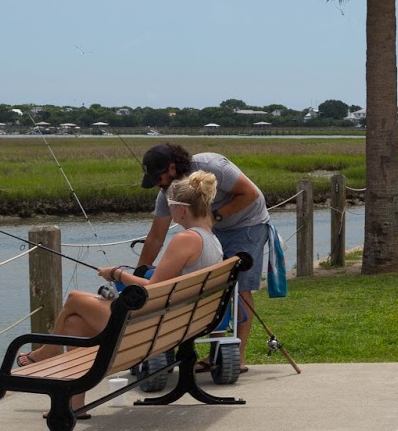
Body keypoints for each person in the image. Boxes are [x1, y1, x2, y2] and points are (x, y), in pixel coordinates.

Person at [15, 170, 226, 414]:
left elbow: (152, 289)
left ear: (181, 209)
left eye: (170, 206)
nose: (169, 211)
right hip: (175, 324)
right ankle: (74, 406)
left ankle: (47, 352)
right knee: (73, 325)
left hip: (149, 329)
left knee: (74, 298)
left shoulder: (185, 239)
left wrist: (116, 273)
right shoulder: (212, 239)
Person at [140, 142, 271, 361]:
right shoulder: (168, 195)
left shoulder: (212, 165)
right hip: (212, 229)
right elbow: (155, 237)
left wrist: (215, 216)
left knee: (240, 287)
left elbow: (250, 194)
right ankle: (216, 353)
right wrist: (139, 271)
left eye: (157, 179)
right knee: (213, 286)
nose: (157, 186)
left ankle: (236, 357)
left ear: (172, 169)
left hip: (248, 223)